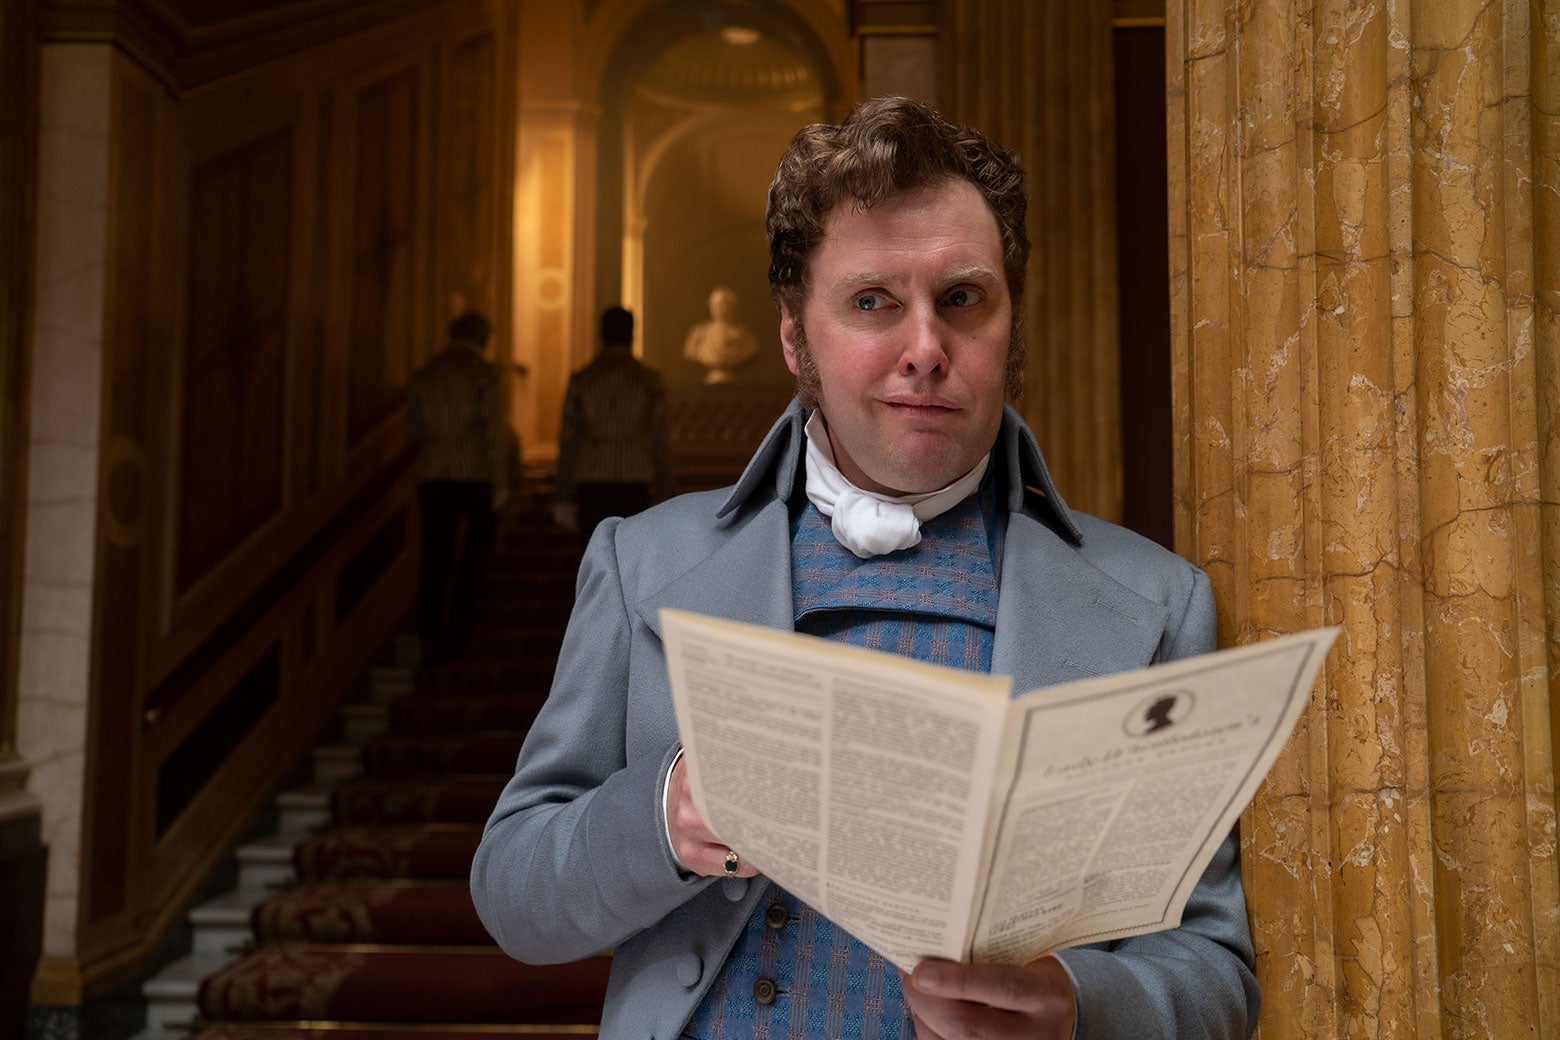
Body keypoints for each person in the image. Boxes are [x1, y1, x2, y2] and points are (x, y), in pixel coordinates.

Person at [473, 97, 1259, 1040]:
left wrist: (1077, 1007)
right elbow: (512, 894)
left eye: (963, 300)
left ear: (1011, 322)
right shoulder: (641, 563)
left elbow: (1216, 973)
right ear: (796, 337)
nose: (926, 349)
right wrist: (664, 815)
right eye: (873, 303)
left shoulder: (1158, 604)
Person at [406, 310, 507, 664]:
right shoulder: (485, 373)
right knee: (476, 552)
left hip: (432, 473)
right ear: (482, 337)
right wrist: (500, 481)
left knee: (435, 552)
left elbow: (413, 431)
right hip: (474, 474)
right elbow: (492, 431)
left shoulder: (426, 374)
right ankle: (461, 622)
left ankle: (430, 631)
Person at [553, 306, 674, 535]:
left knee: (594, 555)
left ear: (601, 334)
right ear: (632, 333)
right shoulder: (649, 380)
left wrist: (562, 494)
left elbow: (568, 440)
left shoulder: (582, 379)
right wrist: (666, 488)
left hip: (591, 475)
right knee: (631, 554)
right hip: (635, 475)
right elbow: (660, 439)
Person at [684, 285, 760, 384]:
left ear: (733, 307)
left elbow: (752, 350)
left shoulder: (745, 336)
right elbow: (690, 353)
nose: (720, 309)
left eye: (725, 305)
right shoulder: (699, 333)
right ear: (710, 307)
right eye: (716, 305)